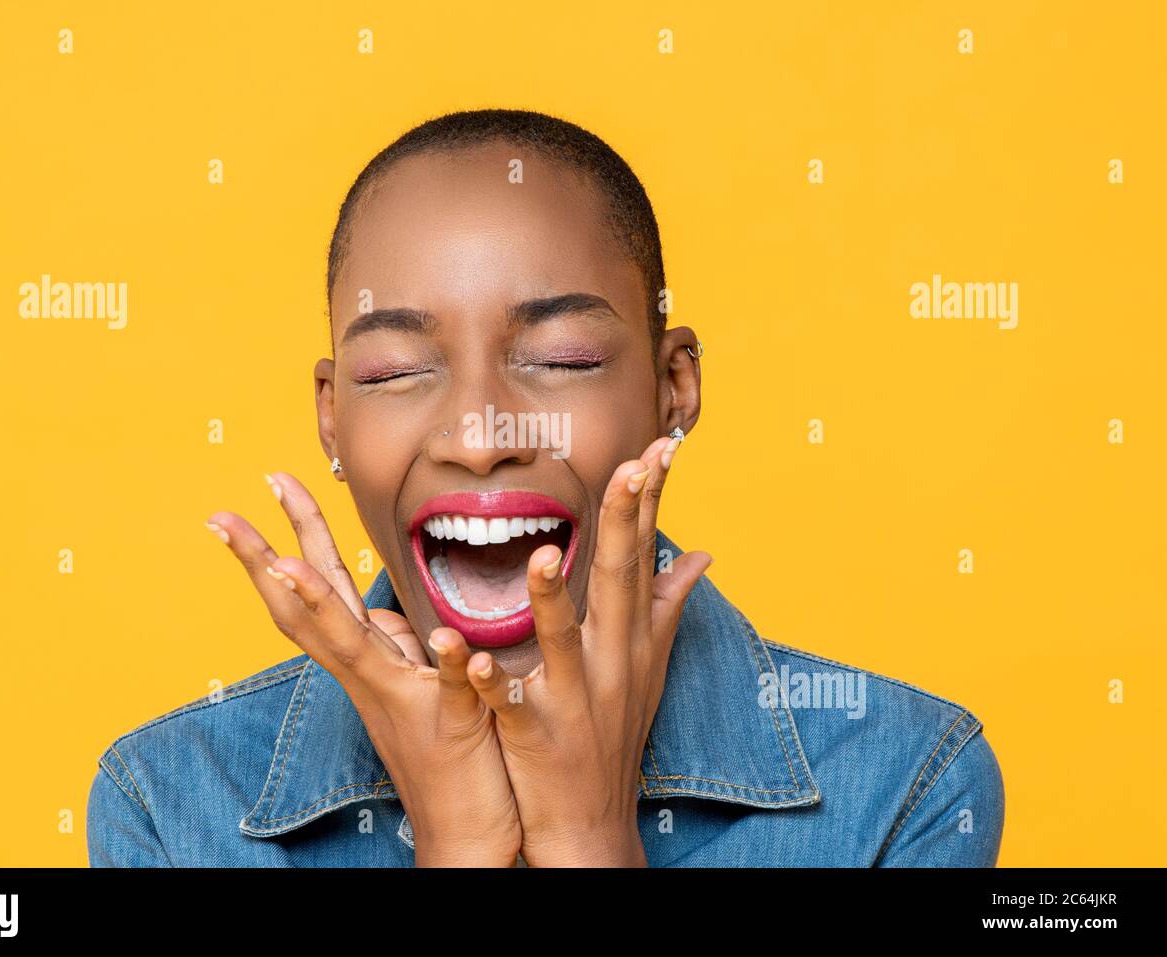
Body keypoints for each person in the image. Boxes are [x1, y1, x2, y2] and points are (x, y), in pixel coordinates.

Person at [86, 108, 1004, 867]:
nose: (483, 436)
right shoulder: (171, 807)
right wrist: (461, 842)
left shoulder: (906, 787)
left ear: (672, 388)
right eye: (396, 371)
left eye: (561, 358)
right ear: (332, 417)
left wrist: (585, 837)